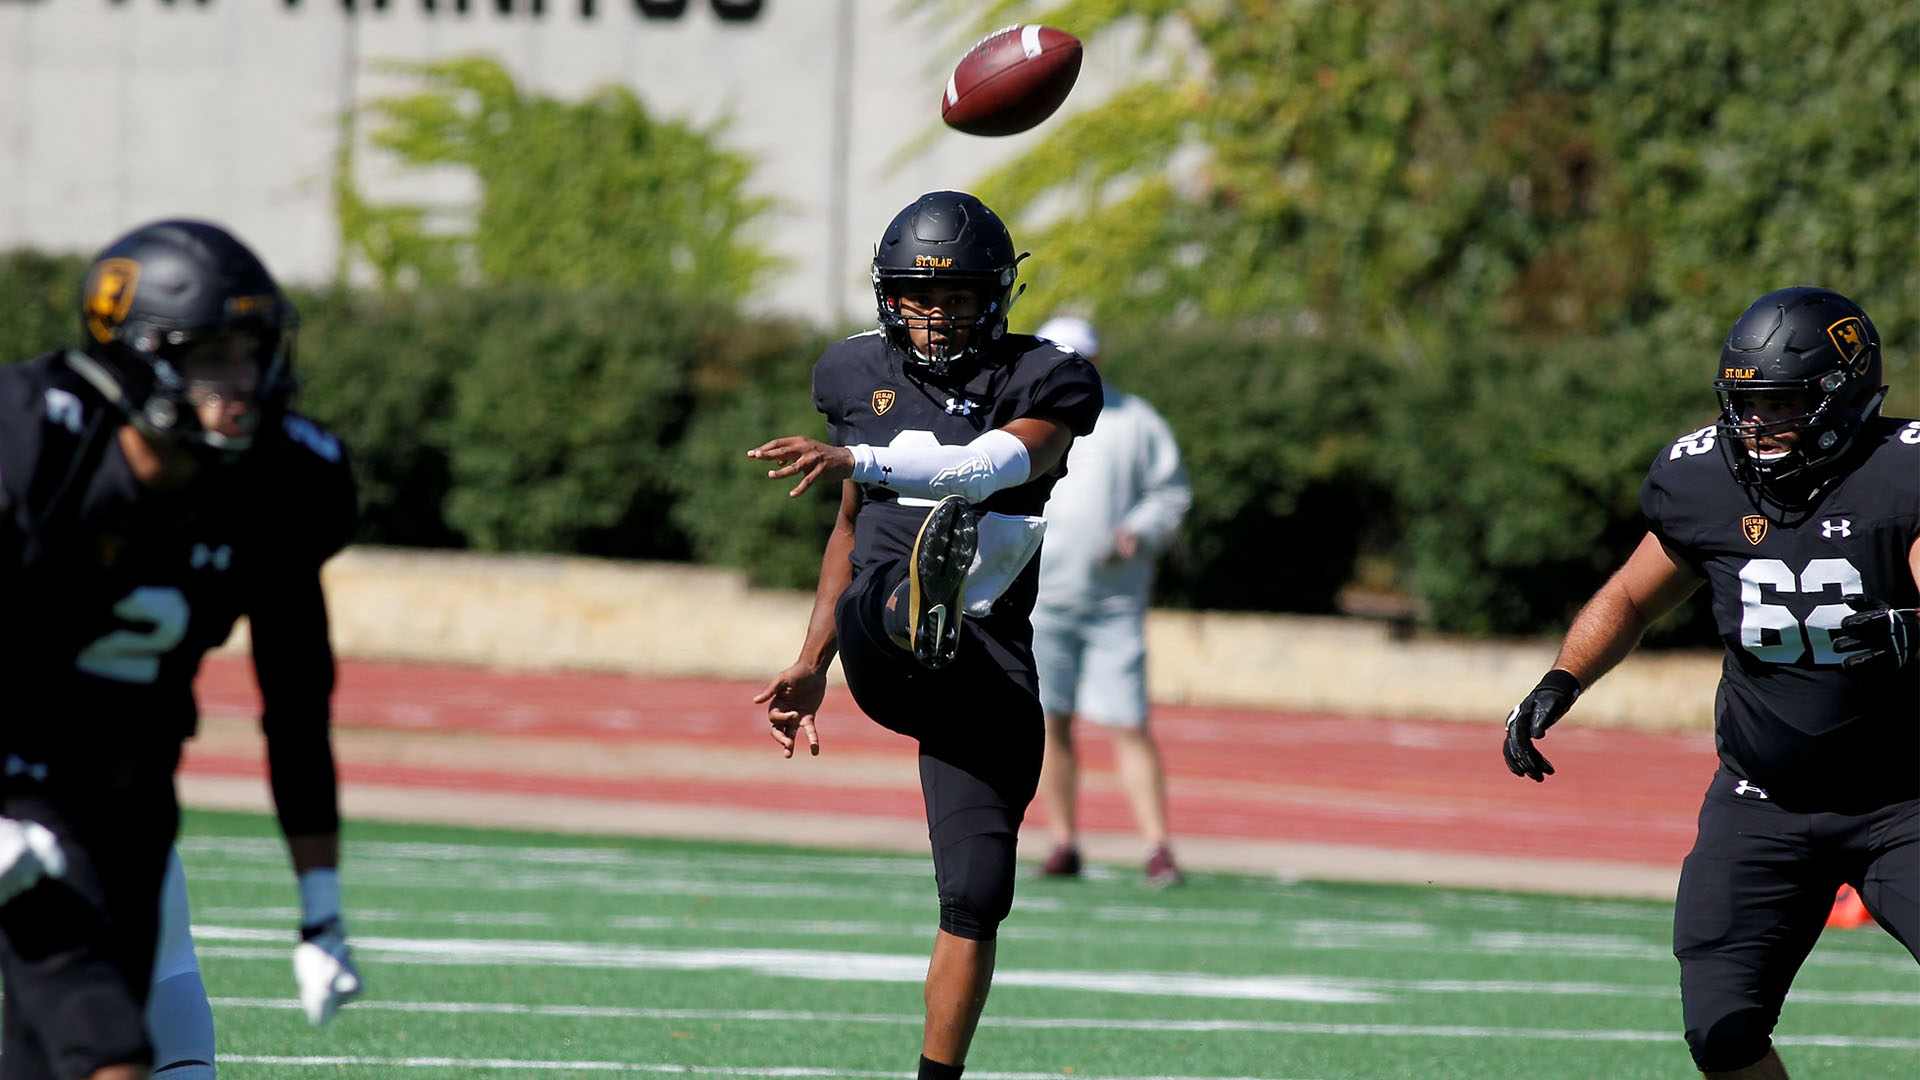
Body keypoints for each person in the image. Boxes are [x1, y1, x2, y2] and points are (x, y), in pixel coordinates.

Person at [1500, 286, 1917, 1080]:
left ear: (1845, 394)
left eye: (1784, 402)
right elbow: (1628, 596)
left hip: (1905, 798)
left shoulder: (1903, 474)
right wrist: (1562, 679)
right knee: (1722, 1032)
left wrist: (1909, 628)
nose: (1756, 425)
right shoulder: (1703, 481)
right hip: (1763, 800)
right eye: (1745, 403)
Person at [0, 220, 366, 1080]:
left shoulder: (279, 481)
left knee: (43, 1060)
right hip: (19, 775)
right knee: (114, 1053)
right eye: (214, 358)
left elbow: (297, 695)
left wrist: (321, 904)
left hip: (130, 786)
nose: (242, 383)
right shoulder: (36, 449)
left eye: (252, 355)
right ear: (136, 356)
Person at [749, 191, 1101, 1080]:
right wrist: (811, 660)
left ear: (998, 295)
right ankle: (917, 604)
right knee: (887, 594)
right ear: (886, 294)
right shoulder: (854, 374)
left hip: (987, 660)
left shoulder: (1045, 379)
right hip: (880, 639)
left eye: (954, 297)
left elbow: (992, 465)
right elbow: (846, 528)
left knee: (978, 895)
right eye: (915, 295)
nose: (934, 315)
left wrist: (863, 458)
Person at [1025, 315, 1191, 886]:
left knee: (1127, 721)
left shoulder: (1134, 420)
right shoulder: (1022, 420)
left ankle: (1157, 846)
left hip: (1113, 603)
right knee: (1052, 722)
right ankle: (1064, 840)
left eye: (1083, 358)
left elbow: (1170, 493)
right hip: (1041, 599)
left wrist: (1139, 531)